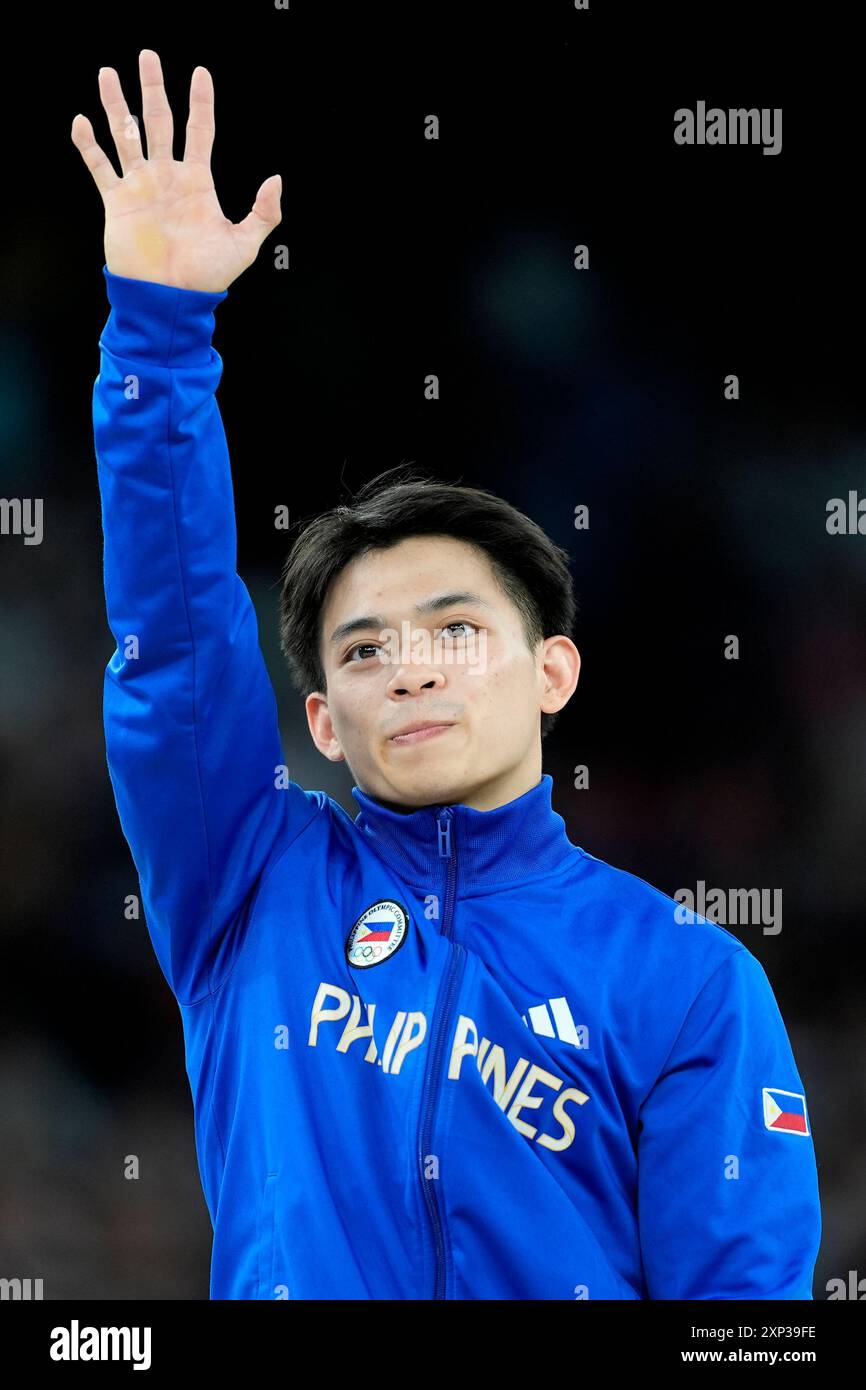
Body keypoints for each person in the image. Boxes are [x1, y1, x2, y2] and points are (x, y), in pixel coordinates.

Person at [73, 50, 822, 1300]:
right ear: (323, 719)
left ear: (553, 672)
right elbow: (176, 639)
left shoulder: (686, 977)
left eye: (455, 630)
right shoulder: (247, 884)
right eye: (364, 649)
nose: (409, 670)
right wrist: (158, 328)